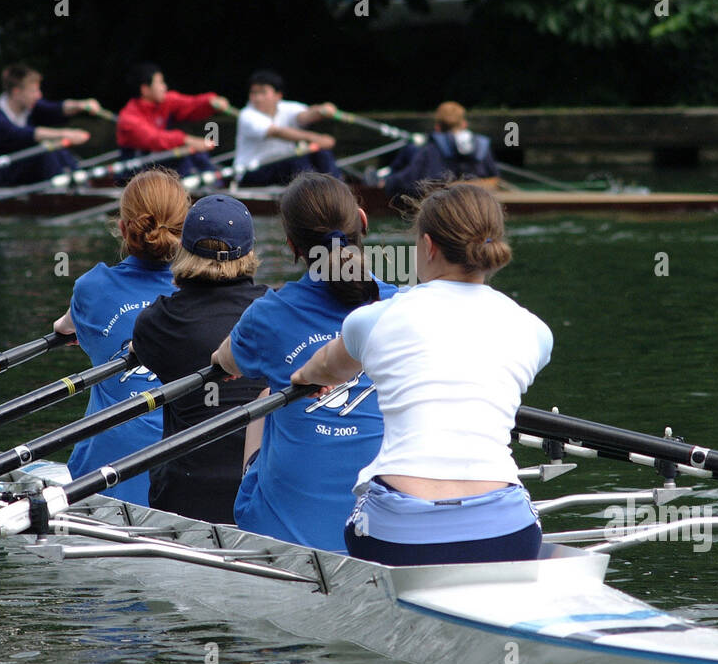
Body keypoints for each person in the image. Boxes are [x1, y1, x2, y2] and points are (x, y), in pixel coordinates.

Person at [290, 181, 552, 566]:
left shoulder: (373, 320)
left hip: (397, 538)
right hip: (505, 536)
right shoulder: (536, 332)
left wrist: (302, 379)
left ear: (428, 246)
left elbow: (328, 366)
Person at [211, 173, 397, 550]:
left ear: (292, 245)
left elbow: (223, 361)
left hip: (282, 536)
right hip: (388, 530)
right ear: (362, 221)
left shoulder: (267, 314)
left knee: (263, 399)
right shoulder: (404, 305)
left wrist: (226, 360)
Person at [52, 169, 189, 505]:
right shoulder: (201, 295)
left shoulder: (92, 288)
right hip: (184, 469)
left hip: (101, 473)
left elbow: (63, 328)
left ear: (124, 228)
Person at [131, 194, 266, 522]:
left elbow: (142, 347)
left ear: (183, 251)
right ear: (248, 254)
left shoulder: (156, 321)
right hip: (258, 496)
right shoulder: (274, 312)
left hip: (183, 501)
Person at [0, 64, 96, 186]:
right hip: (2, 176)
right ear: (16, 92)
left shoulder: (29, 108)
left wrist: (81, 105)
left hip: (25, 170)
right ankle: (63, 192)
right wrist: (66, 134)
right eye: (33, 91)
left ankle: (81, 183)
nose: (39, 95)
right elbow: (27, 134)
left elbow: (56, 108)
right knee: (45, 151)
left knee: (56, 148)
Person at [117, 62, 227, 179]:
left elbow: (191, 104)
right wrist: (186, 140)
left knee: (197, 155)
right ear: (145, 89)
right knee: (184, 156)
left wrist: (210, 102)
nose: (164, 87)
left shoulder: (165, 101)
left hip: (159, 163)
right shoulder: (128, 118)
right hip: (136, 175)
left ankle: (213, 186)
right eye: (160, 83)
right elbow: (155, 139)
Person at [234, 70, 341, 186]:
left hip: (282, 167)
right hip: (251, 171)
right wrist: (316, 138)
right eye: (253, 93)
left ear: (278, 96)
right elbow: (277, 132)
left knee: (321, 152)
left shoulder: (288, 107)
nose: (257, 98)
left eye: (263, 93)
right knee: (296, 159)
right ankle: (312, 193)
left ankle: (338, 188)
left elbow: (304, 116)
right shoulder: (246, 115)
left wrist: (322, 110)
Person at [383, 101, 499, 202]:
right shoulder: (482, 145)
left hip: (439, 203)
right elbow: (494, 179)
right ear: (464, 124)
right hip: (476, 200)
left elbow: (408, 180)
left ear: (437, 127)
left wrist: (385, 182)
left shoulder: (429, 148)